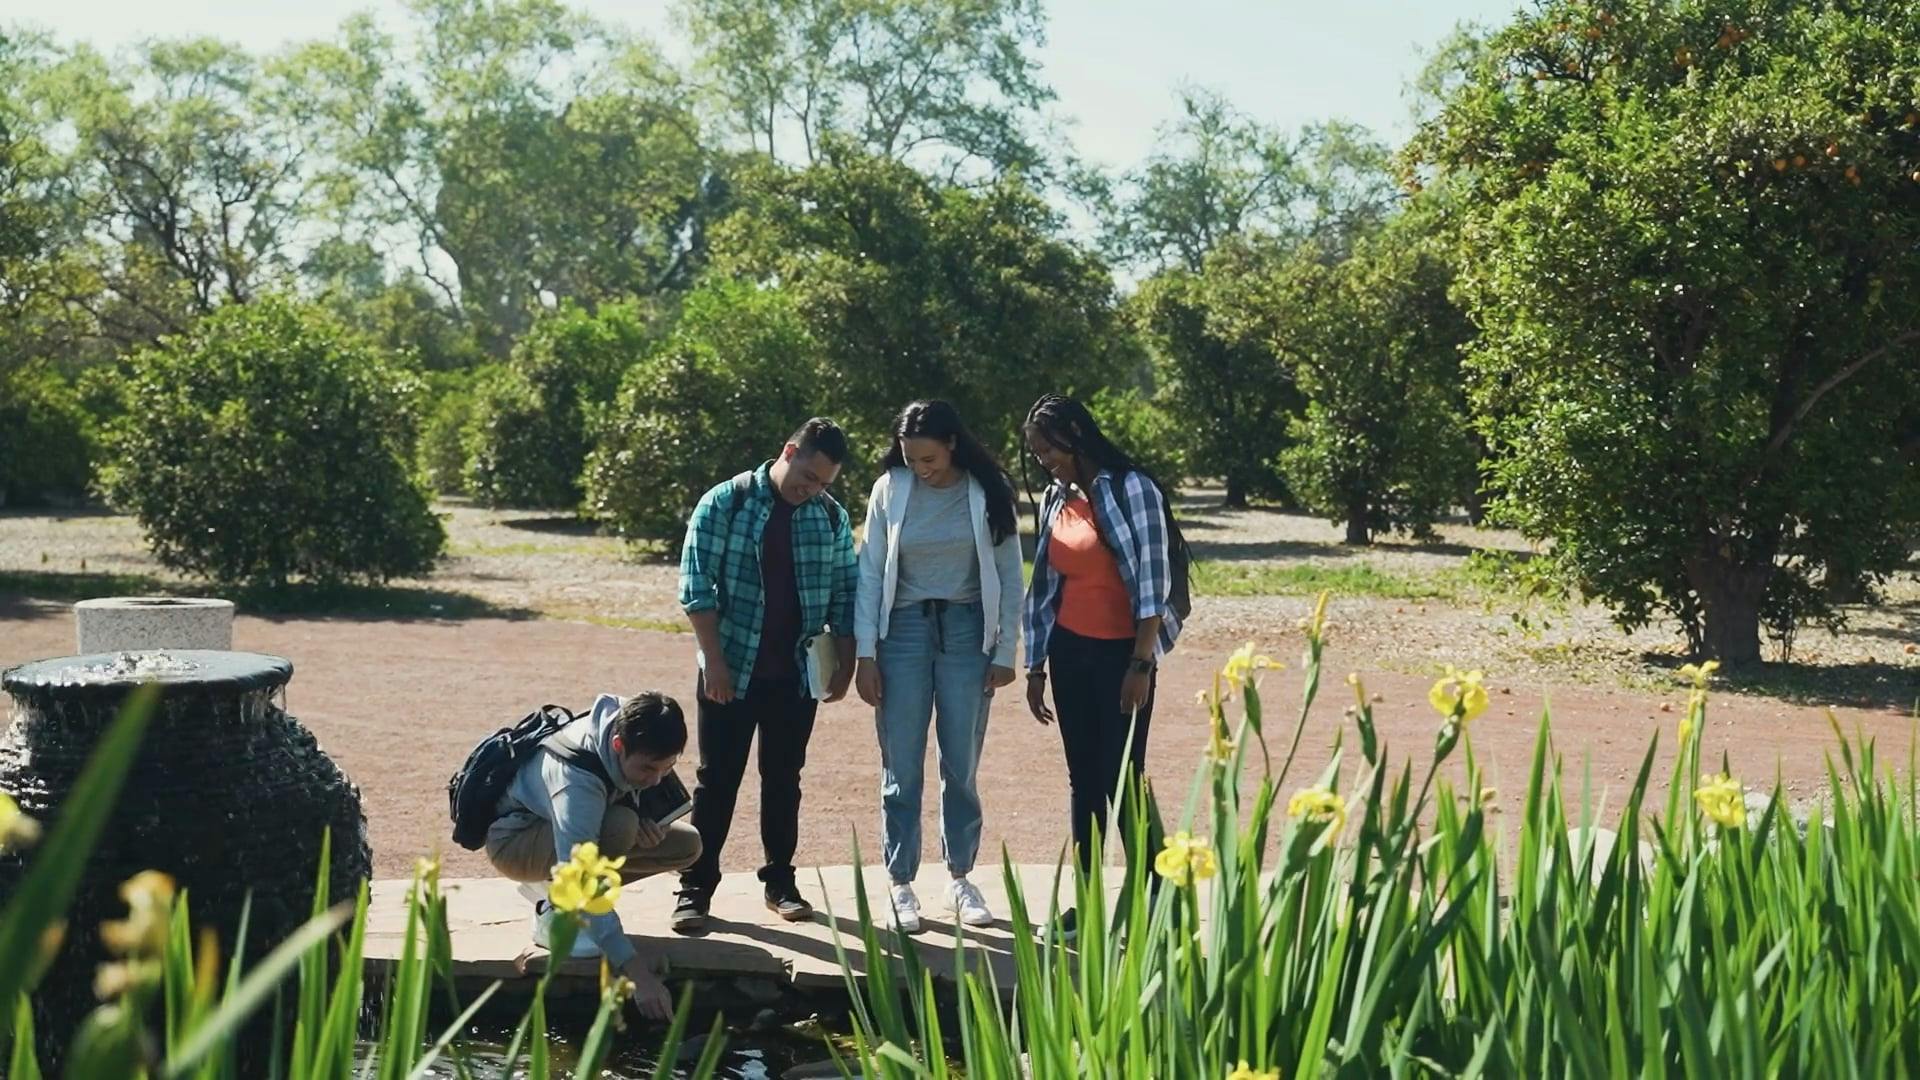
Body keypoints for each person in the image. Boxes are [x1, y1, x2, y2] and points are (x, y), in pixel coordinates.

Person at [673, 417, 858, 933]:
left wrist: (843, 661)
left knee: (784, 780)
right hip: (729, 667)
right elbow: (696, 586)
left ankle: (780, 881)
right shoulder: (724, 503)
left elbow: (846, 590)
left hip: (795, 675)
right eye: (809, 475)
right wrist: (714, 660)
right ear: (788, 450)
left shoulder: (829, 517)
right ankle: (695, 887)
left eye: (824, 482)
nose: (812, 488)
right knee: (717, 780)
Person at [1020, 393, 1188, 940]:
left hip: (1124, 656)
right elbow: (1046, 584)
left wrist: (1141, 662)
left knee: (1125, 776)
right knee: (1084, 779)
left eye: (1048, 447)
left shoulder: (1131, 487)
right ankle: (1087, 907)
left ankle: (1155, 896)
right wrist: (1037, 665)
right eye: (1037, 452)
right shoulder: (1055, 497)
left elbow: (1155, 583)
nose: (1044, 459)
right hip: (1071, 653)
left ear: (1075, 432)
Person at [854, 400, 1022, 933]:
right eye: (910, 457)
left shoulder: (988, 488)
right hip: (900, 632)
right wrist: (864, 653)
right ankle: (900, 883)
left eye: (928, 458)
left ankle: (960, 877)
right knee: (900, 765)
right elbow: (870, 574)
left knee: (961, 763)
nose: (919, 468)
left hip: (968, 631)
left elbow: (1010, 575)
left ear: (952, 444)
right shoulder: (890, 489)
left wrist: (1005, 651)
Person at [485, 690, 697, 1021]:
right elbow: (583, 876)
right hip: (514, 842)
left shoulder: (636, 723)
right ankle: (555, 909)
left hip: (559, 828)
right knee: (619, 828)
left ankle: (558, 892)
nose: (656, 779)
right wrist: (639, 976)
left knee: (686, 845)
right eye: (648, 769)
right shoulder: (577, 781)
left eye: (666, 768)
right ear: (617, 746)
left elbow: (635, 785)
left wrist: (648, 817)